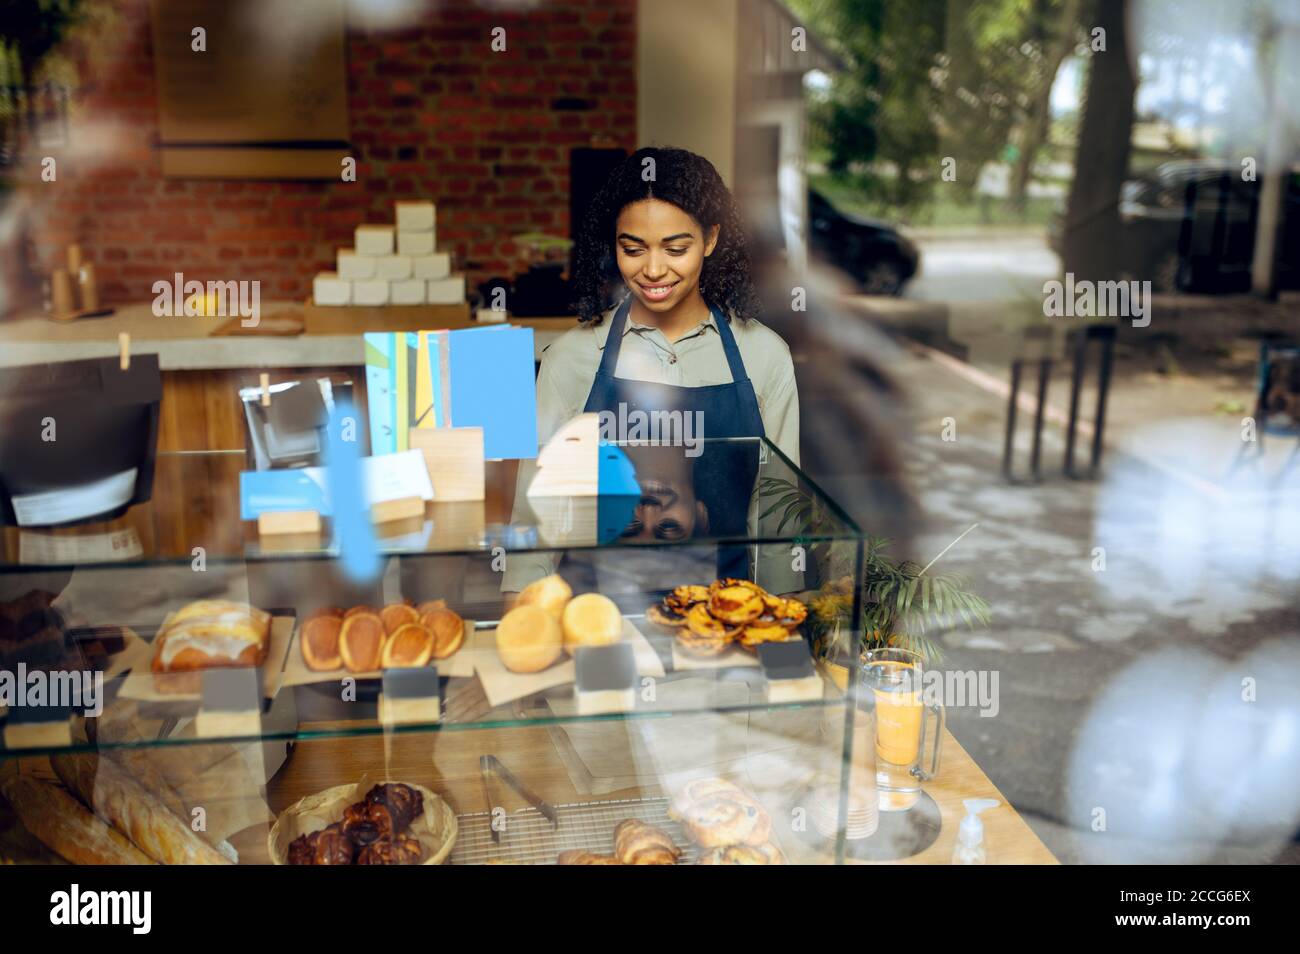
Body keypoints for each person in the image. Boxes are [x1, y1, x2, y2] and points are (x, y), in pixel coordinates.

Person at [503, 147, 801, 594]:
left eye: (676, 248)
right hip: (598, 622)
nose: (654, 269)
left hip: (725, 619)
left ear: (711, 239)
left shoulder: (765, 356)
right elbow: (538, 514)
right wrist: (524, 617)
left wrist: (780, 628)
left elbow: (777, 516)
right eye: (633, 249)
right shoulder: (571, 358)